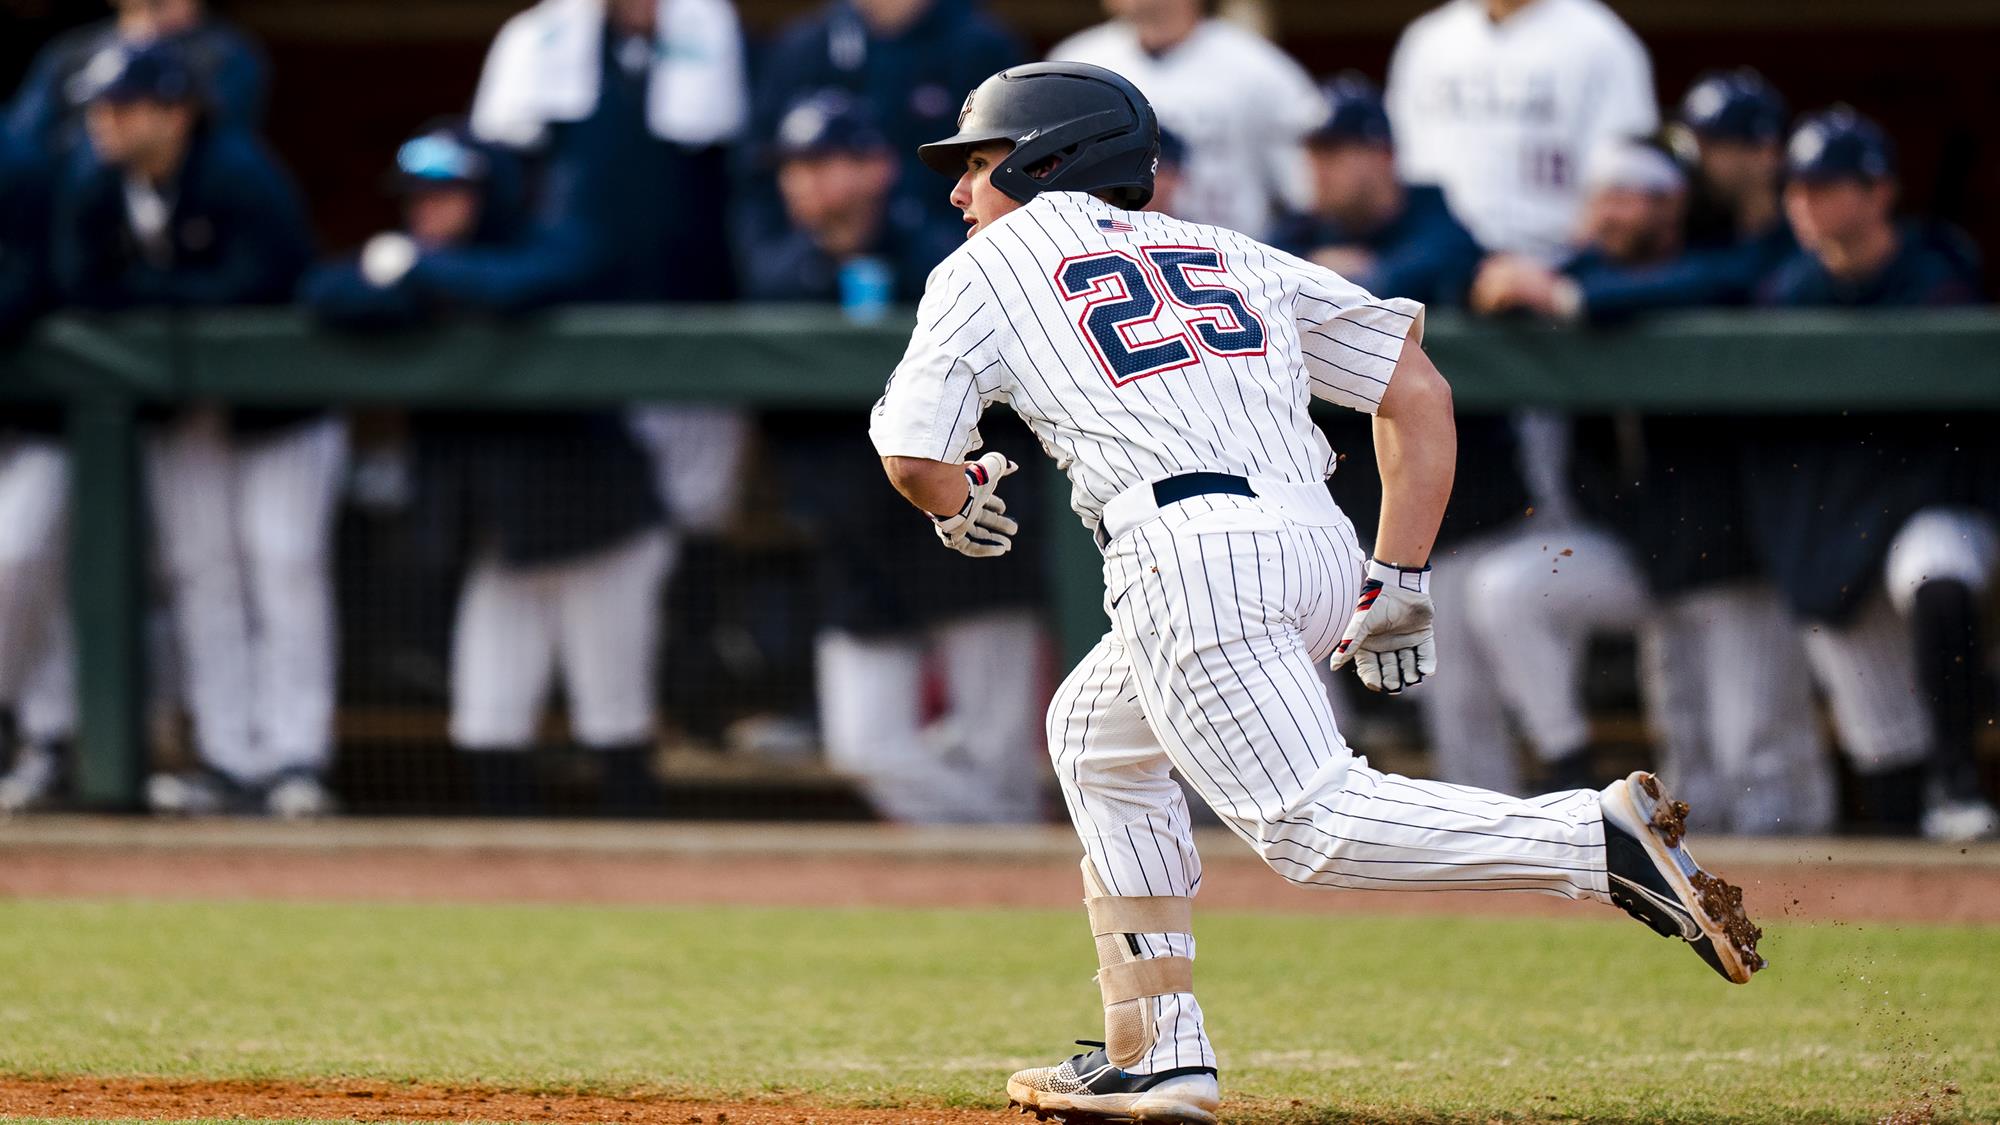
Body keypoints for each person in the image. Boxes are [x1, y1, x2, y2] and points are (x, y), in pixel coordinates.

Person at [873, 61, 1763, 1124]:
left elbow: (913, 453)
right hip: (1313, 538)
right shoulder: (1224, 248)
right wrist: (1400, 573)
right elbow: (1415, 389)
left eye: (977, 163)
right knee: (1091, 735)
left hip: (1186, 551)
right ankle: (1156, 1046)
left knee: (1311, 828)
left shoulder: (985, 264)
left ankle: (1589, 838)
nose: (957, 192)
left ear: (1042, 160)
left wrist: (955, 499)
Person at [302, 120, 671, 816]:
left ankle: (640, 867)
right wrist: (413, 273)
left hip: (600, 525)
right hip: (501, 540)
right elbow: (326, 292)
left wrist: (419, 271)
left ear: (488, 193)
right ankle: (515, 871)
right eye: (417, 198)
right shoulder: (412, 265)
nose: (427, 211)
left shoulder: (552, 240)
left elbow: (528, 283)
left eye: (446, 194)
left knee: (612, 715)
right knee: (487, 720)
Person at [1468, 137, 1836, 829]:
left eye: (1627, 196)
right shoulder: (1589, 271)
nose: (1608, 211)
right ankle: (1571, 773)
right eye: (1600, 197)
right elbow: (1500, 289)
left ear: (1671, 205)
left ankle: (1816, 879)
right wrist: (1534, 283)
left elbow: (1716, 281)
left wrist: (1566, 293)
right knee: (1685, 761)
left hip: (1736, 558)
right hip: (1646, 553)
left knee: (1757, 752)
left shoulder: (1726, 264)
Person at [737, 91, 1046, 822]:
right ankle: (1006, 860)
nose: (806, 181)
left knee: (1000, 756)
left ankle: (1002, 864)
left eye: (825, 162)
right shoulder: (777, 274)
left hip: (973, 511)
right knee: (865, 746)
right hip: (856, 532)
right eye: (794, 167)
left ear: (877, 167)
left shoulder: (953, 253)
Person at [50, 41, 332, 818]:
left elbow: (266, 281)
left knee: (283, 564)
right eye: (99, 109)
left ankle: (296, 757)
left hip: (278, 409)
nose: (105, 123)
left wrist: (149, 293)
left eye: (123, 108)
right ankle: (228, 756)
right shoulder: (95, 182)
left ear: (175, 114)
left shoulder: (239, 171)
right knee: (201, 573)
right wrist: (166, 294)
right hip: (182, 410)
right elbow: (78, 284)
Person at [1752, 107, 1996, 839]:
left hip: (1929, 510)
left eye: (1825, 186)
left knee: (1936, 569)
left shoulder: (1941, 280)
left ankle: (1960, 780)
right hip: (1836, 527)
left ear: (1879, 191)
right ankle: (1907, 880)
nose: (1805, 202)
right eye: (1796, 187)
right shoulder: (1787, 292)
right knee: (1884, 752)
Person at [473, 0, 749, 546]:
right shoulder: (536, 43)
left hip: (691, 326)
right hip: (573, 337)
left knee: (696, 512)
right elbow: (499, 181)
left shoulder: (718, 36)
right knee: (595, 514)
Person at [1384, 0, 1658, 266]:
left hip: (1556, 262)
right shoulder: (1427, 41)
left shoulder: (1604, 42)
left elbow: (1627, 183)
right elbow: (1396, 166)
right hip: (1433, 260)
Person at [746, 0, 1024, 246]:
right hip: (812, 254)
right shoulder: (804, 48)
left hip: (952, 246)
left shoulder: (980, 47)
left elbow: (1010, 167)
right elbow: (756, 171)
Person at [1050, 0, 1323, 239]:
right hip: (1106, 250)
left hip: (1230, 256)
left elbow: (1306, 189)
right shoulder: (1076, 62)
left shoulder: (1260, 67)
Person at [0, 131, 76, 814]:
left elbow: (34, 284)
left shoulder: (27, 169)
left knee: (19, 559)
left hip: (48, 424)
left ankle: (46, 736)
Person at [1275, 72, 1482, 307]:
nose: (1318, 171)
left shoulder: (1435, 220)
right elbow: (1260, 274)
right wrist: (1313, 267)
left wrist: (1362, 275)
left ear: (1384, 154)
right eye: (1312, 154)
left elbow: (1446, 260)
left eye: (1332, 153)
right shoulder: (1303, 228)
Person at [7, 0, 267, 156]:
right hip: (72, 206)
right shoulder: (68, 54)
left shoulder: (229, 58)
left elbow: (217, 151)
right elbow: (22, 142)